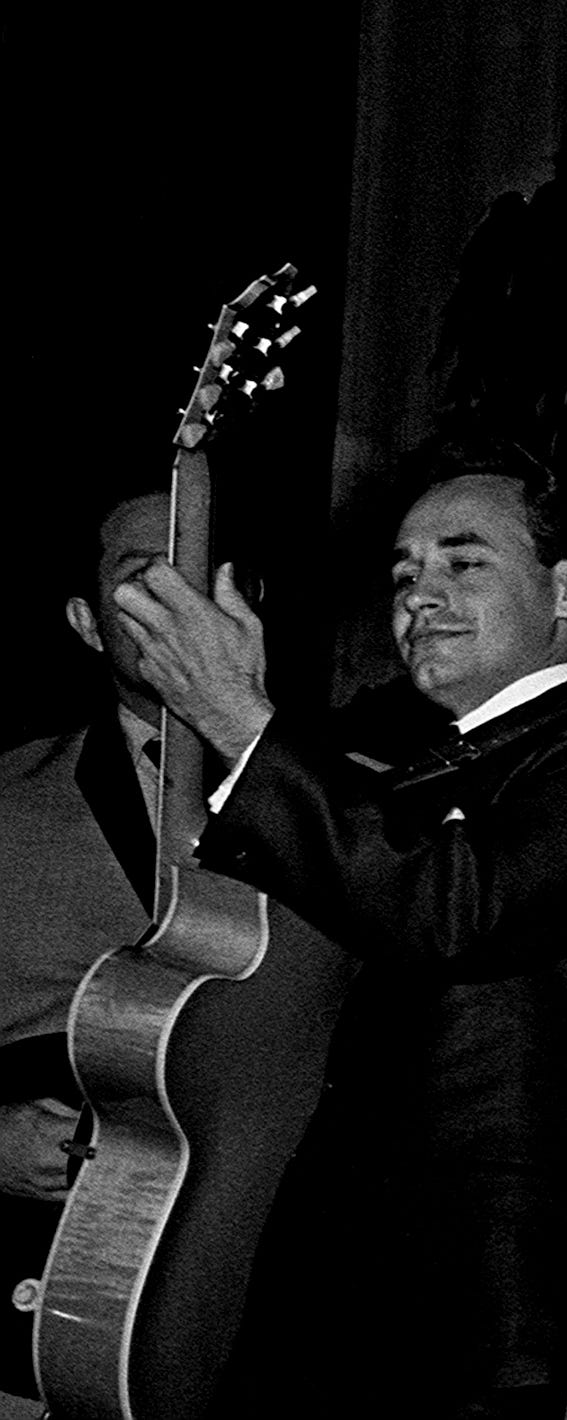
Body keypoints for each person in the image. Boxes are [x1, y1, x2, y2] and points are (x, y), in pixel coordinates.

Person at [112, 451, 567, 1419]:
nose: (420, 598)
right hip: (356, 1302)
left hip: (489, 1319)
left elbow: (455, 908)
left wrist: (240, 718)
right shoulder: (419, 768)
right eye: (404, 575)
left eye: (464, 563)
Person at [0, 483, 169, 1412]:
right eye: (143, 577)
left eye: (205, 570)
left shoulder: (361, 809)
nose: (178, 600)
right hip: (38, 1299)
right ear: (87, 623)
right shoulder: (6, 800)